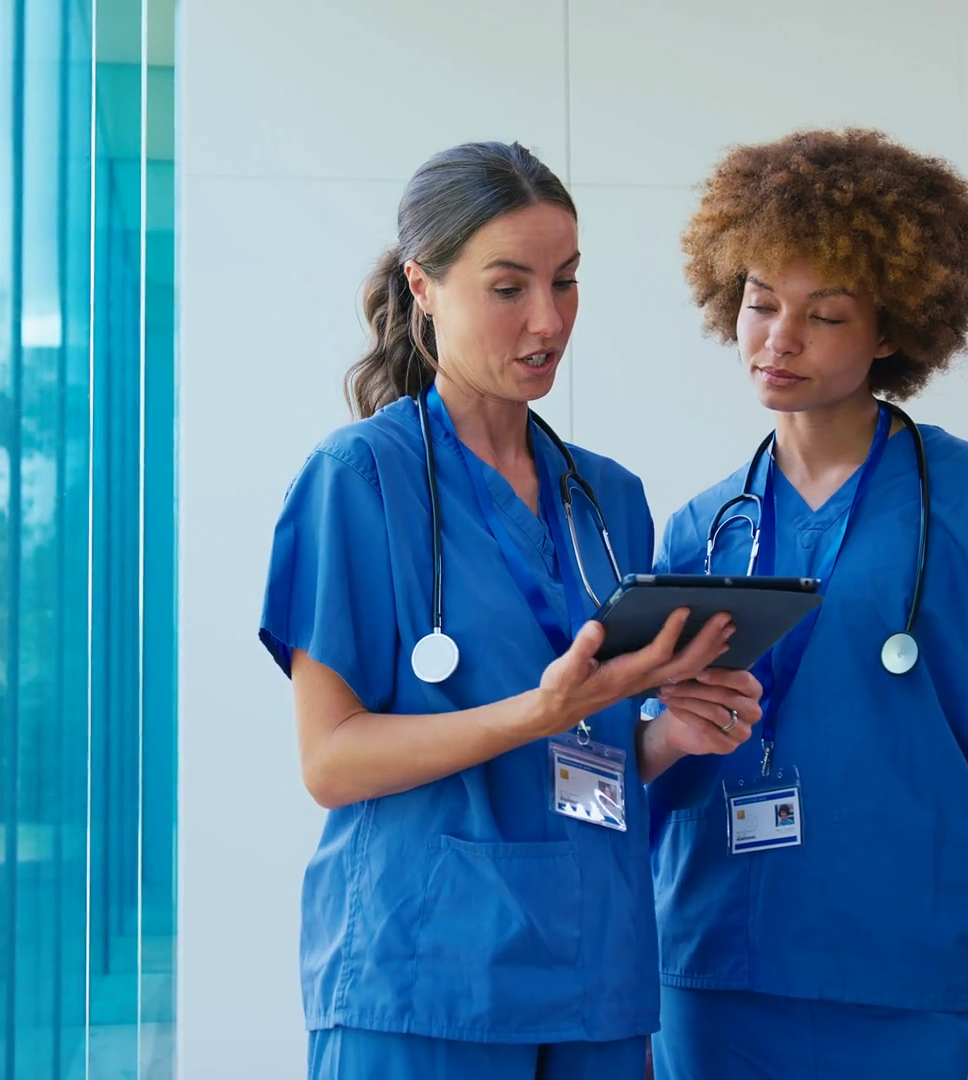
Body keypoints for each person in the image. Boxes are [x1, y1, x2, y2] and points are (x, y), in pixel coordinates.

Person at [642, 129, 968, 1080]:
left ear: (890, 331)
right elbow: (644, 776)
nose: (779, 338)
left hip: (920, 992)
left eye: (825, 314)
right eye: (760, 302)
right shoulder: (700, 532)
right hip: (713, 988)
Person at [257, 141, 765, 1080]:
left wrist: (670, 736)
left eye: (566, 281)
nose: (548, 319)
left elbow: (590, 757)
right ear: (423, 286)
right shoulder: (360, 479)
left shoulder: (608, 501)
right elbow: (331, 762)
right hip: (425, 977)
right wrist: (541, 710)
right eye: (508, 288)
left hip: (595, 975)